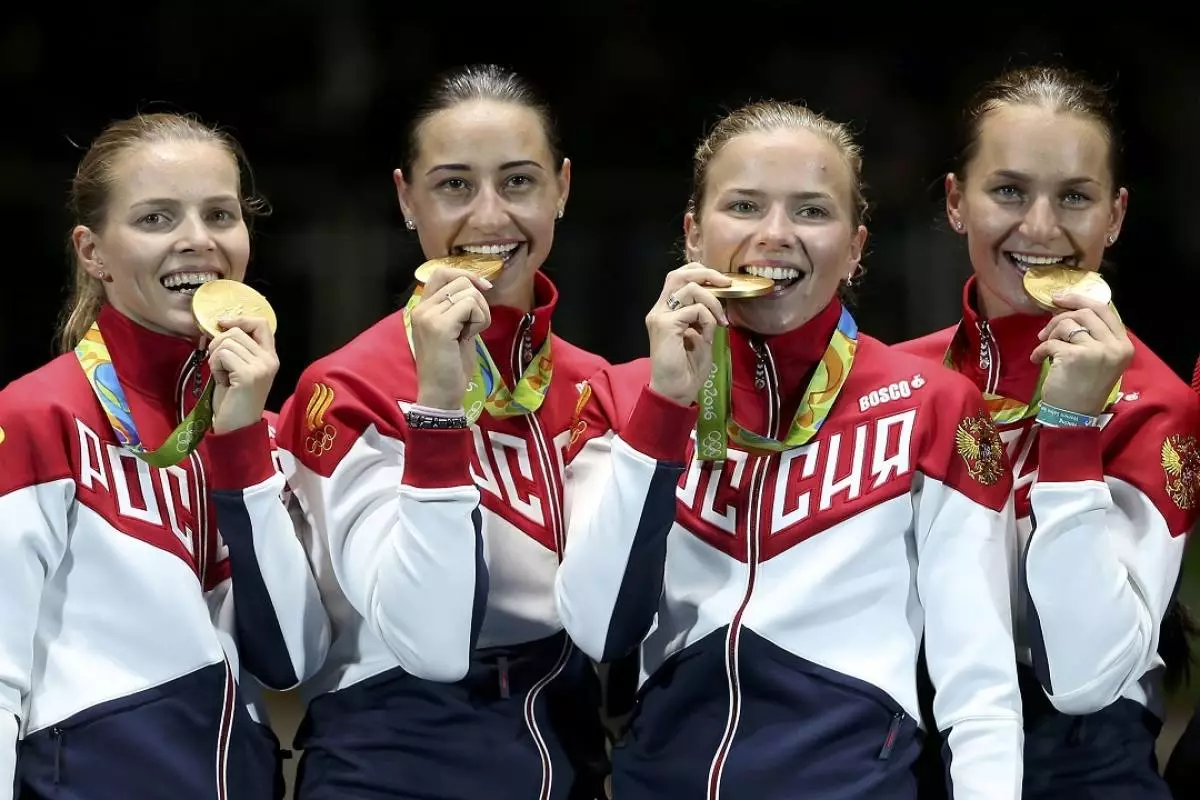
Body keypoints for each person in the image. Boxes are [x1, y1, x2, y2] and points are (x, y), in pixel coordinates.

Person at [554, 99, 1024, 799]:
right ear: (692, 233)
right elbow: (601, 629)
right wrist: (665, 410)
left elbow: (980, 688)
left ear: (857, 247)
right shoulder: (620, 401)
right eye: (744, 205)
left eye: (811, 211)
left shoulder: (933, 406)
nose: (775, 235)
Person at [278, 64, 611, 799]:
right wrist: (437, 408)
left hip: (563, 754)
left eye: (519, 182)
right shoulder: (348, 389)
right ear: (407, 198)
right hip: (392, 763)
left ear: (562, 187)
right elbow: (427, 639)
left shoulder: (596, 388)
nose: (490, 217)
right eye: (455, 186)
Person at [0, 112, 330, 800]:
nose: (198, 241)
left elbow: (289, 662)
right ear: (93, 252)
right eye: (155, 219)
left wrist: (241, 445)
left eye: (219, 214)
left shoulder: (261, 433)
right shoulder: (40, 415)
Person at [898, 64, 1200, 799]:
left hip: (1079, 768)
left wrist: (1067, 430)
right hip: (899, 747)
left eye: (1074, 197)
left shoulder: (1155, 404)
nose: (1039, 228)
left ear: (1116, 215)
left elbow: (1083, 679)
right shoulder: (896, 383)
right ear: (955, 202)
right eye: (1008, 190)